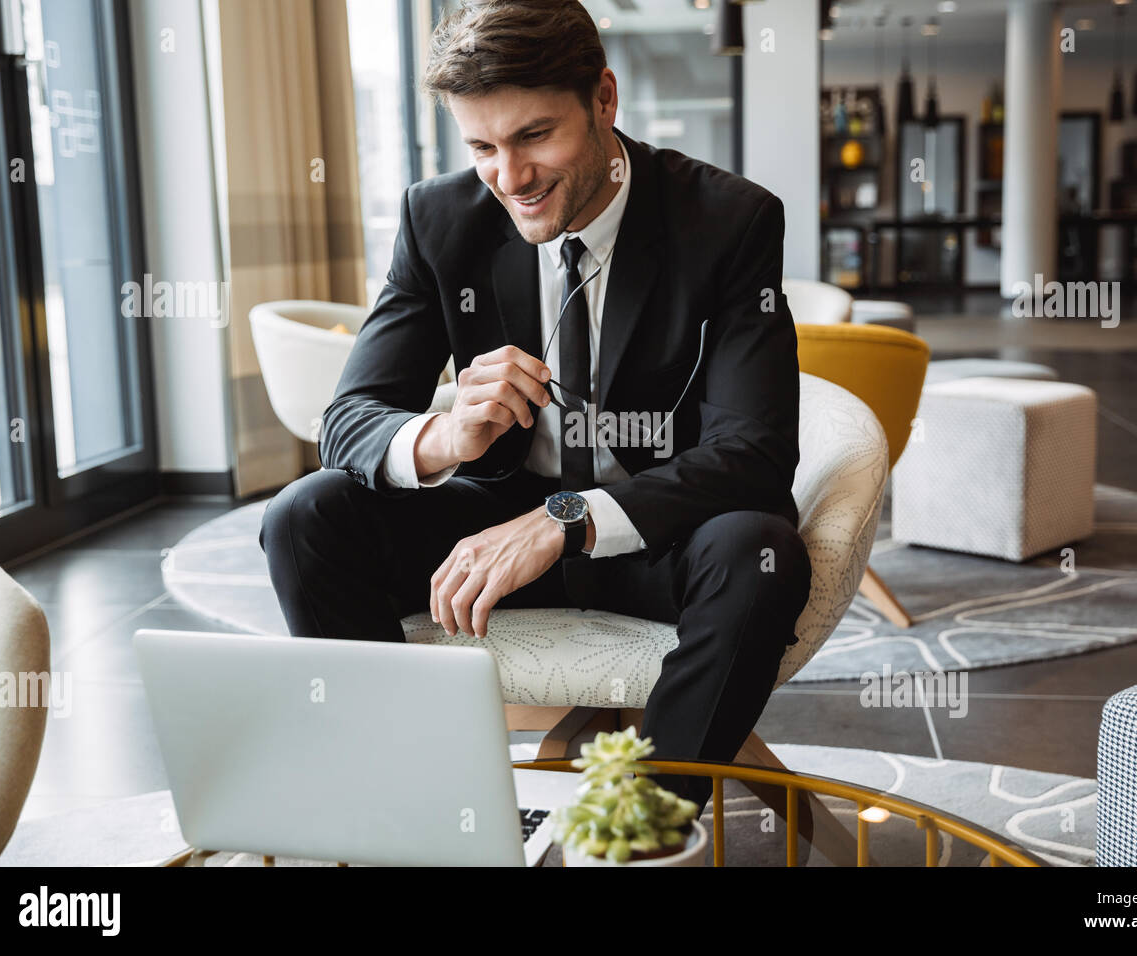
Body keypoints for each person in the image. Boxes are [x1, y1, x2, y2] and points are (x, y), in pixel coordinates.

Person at [259, 0, 808, 810]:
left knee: (759, 553)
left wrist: (566, 519)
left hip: (661, 535)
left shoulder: (726, 220)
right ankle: (422, 805)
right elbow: (350, 419)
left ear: (604, 100)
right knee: (306, 515)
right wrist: (444, 437)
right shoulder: (441, 219)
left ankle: (632, 829)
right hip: (492, 526)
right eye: (482, 146)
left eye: (534, 137)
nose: (510, 179)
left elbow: (754, 455)